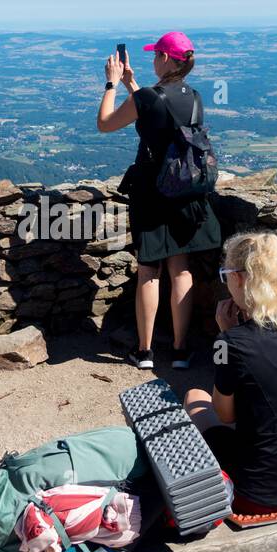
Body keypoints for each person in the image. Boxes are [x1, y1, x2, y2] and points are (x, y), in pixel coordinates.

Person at [97, 31, 221, 370]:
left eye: (156, 55)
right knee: (181, 270)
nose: (153, 60)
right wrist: (131, 85)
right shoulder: (194, 96)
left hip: (151, 192)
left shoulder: (150, 97)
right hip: (184, 192)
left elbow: (105, 124)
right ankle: (181, 351)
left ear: (166, 59)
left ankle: (145, 351)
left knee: (148, 270)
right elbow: (162, 119)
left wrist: (110, 84)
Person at [183, 232, 277, 512]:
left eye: (226, 275)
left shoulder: (230, 344)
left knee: (194, 397)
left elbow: (226, 415)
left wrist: (226, 334)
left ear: (240, 278)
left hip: (252, 493)